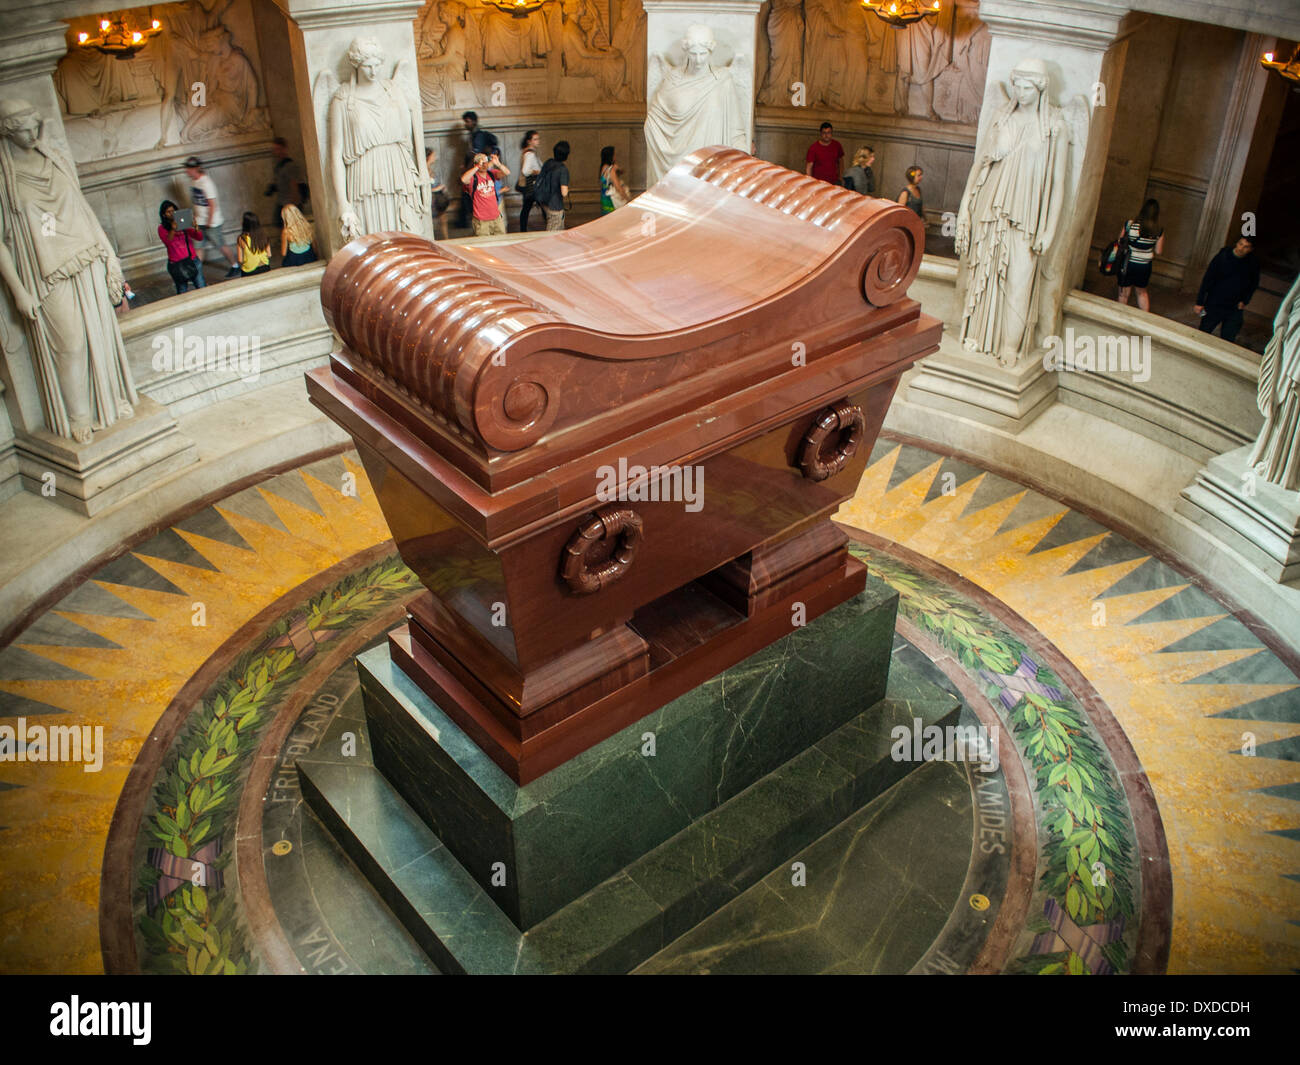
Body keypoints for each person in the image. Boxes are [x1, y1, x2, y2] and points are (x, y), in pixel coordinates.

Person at [0, 98, 136, 444]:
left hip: (86, 258)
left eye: (34, 124)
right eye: (22, 128)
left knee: (99, 336)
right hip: (47, 274)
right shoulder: (6, 179)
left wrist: (110, 258)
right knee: (71, 343)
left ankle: (108, 401)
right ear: (6, 130)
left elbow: (85, 211)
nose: (31, 133)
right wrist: (18, 289)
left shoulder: (55, 160)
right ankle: (79, 415)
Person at [327, 38, 430, 242]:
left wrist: (421, 174)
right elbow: (336, 155)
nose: (374, 71)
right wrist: (343, 204)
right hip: (364, 177)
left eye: (377, 65)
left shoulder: (393, 90)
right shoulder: (343, 98)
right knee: (373, 239)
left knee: (407, 237)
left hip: (398, 172)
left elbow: (410, 139)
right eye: (368, 66)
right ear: (356, 64)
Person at [1195, 236, 1260, 344]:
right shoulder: (1223, 257)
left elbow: (1253, 284)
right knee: (1204, 332)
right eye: (1240, 244)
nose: (1241, 248)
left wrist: (1244, 301)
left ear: (1250, 249)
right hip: (1215, 302)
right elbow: (1207, 279)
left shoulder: (1252, 263)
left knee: (1229, 336)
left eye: (1246, 247)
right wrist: (1199, 302)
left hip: (1234, 305)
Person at [184, 155, 239, 277]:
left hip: (212, 222)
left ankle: (235, 265)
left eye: (189, 168)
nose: (187, 171)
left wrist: (209, 221)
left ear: (197, 168)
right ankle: (196, 273)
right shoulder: (194, 181)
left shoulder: (207, 183)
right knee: (198, 247)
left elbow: (212, 204)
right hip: (199, 221)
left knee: (220, 244)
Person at [1116, 198, 1164, 312]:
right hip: (1144, 266)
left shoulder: (1130, 224)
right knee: (1142, 293)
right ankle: (1144, 319)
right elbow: (1158, 251)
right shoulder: (1159, 230)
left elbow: (1120, 241)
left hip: (1127, 264)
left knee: (1123, 294)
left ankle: (1119, 320)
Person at [459, 111, 499, 227]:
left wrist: (467, 170)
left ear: (474, 121)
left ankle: (470, 219)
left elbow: (475, 155)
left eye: (467, 121)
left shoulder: (478, 136)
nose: (465, 124)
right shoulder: (474, 135)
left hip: (478, 170)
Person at [158, 199, 206, 293]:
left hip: (192, 260)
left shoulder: (183, 223)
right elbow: (168, 242)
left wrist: (196, 228)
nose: (172, 214)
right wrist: (173, 229)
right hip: (177, 264)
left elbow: (199, 237)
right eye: (169, 212)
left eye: (173, 211)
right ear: (164, 215)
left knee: (201, 287)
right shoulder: (161, 228)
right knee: (182, 290)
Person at [461, 151, 510, 237]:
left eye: (486, 163)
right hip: (481, 220)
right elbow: (464, 179)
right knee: (484, 243)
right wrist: (477, 167)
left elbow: (507, 173)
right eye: (482, 163)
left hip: (496, 217)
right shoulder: (473, 178)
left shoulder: (491, 174)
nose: (484, 165)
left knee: (502, 240)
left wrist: (498, 164)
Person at [264, 136, 305, 225]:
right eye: (274, 149)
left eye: (278, 149)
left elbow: (294, 186)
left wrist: (294, 208)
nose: (276, 152)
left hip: (290, 205)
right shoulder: (279, 166)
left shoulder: (290, 166)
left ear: (284, 149)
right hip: (283, 203)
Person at [535, 140, 571, 232]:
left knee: (558, 231)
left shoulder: (548, 163)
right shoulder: (563, 169)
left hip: (544, 201)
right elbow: (564, 193)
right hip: (555, 205)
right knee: (552, 234)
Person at [517, 130, 542, 232]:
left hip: (529, 186)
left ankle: (523, 229)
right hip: (532, 185)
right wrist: (538, 172)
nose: (538, 141)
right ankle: (523, 230)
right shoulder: (530, 154)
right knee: (540, 206)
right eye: (535, 139)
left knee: (526, 208)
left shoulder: (527, 152)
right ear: (529, 141)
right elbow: (526, 171)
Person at [236, 211, 271, 276]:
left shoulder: (241, 238)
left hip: (249, 270)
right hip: (265, 268)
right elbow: (269, 255)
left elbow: (240, 260)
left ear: (244, 224)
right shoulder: (264, 235)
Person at [426, 147, 450, 241]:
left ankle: (446, 239)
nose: (435, 157)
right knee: (430, 221)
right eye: (433, 155)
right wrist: (437, 188)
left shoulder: (430, 169)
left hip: (438, 199)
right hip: (431, 199)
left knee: (443, 219)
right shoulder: (424, 171)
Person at [599, 145, 630, 213]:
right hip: (611, 199)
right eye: (614, 155)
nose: (615, 157)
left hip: (605, 197)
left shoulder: (603, 168)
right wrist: (627, 199)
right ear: (610, 156)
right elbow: (618, 187)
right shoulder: (611, 170)